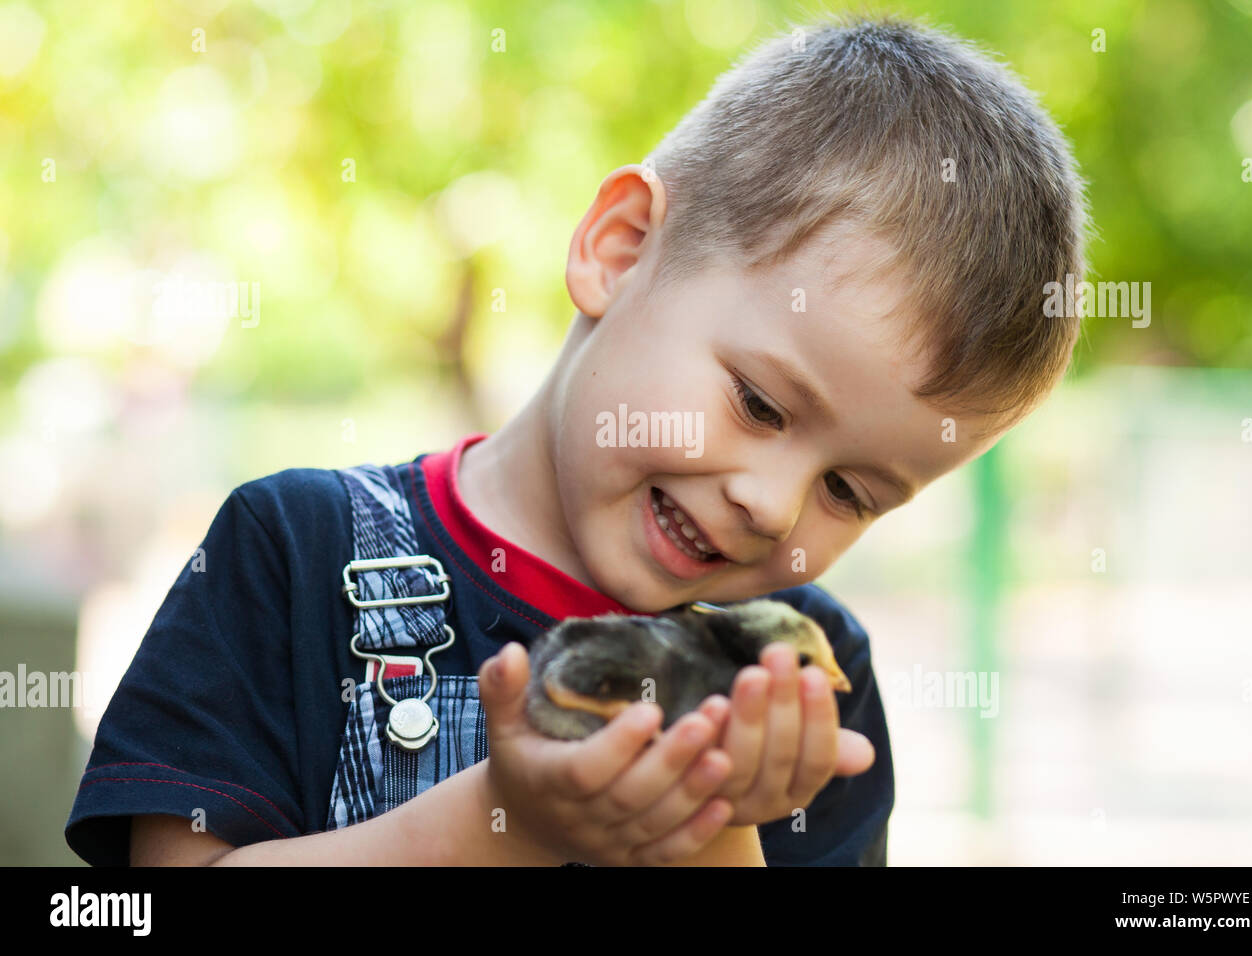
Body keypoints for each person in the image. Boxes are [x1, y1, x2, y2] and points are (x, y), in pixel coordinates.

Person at [65, 12, 1088, 866]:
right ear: (621, 248)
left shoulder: (806, 680)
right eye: (760, 406)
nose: (772, 504)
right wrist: (501, 821)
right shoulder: (297, 552)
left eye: (850, 493)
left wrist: (716, 822)